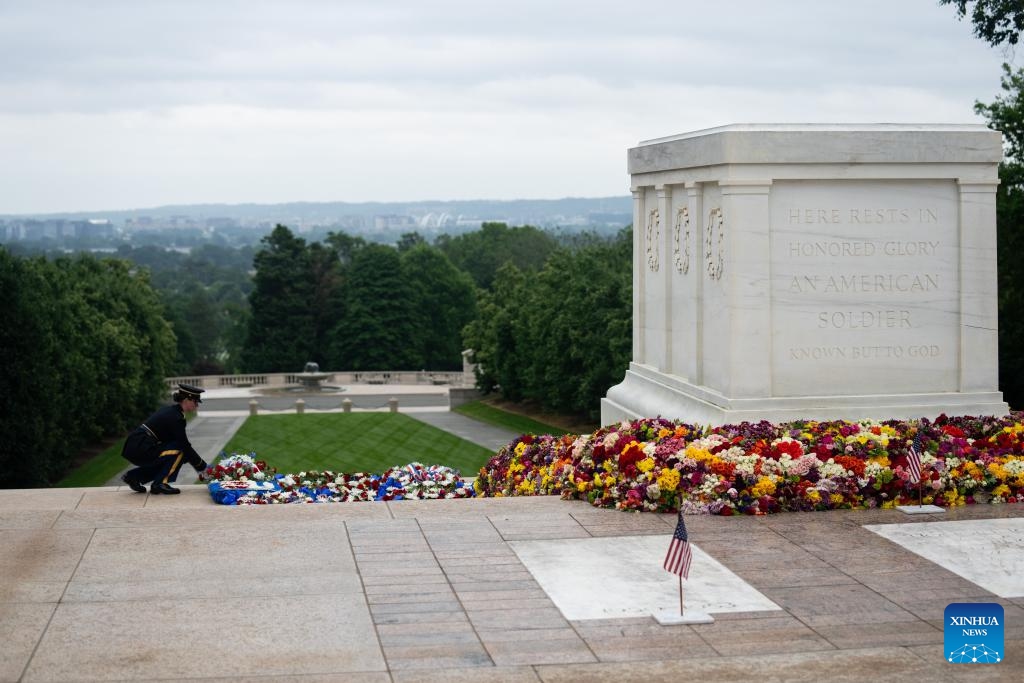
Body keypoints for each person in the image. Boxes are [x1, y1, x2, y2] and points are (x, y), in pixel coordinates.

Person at [120, 383, 209, 494]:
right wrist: (203, 466)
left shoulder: (173, 412)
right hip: (141, 446)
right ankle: (160, 483)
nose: (197, 405)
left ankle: (134, 477)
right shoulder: (176, 417)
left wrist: (196, 464)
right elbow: (184, 445)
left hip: (138, 445)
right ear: (186, 400)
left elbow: (174, 442)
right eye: (195, 402)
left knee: (176, 457)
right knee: (180, 451)